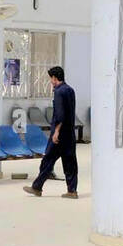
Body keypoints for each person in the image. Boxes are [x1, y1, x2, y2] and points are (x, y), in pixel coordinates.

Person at [24, 66, 78, 198]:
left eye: (51, 79)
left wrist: (56, 132)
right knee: (70, 161)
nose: (50, 82)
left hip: (59, 134)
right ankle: (72, 190)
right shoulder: (70, 90)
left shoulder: (59, 91)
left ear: (54, 78)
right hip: (70, 132)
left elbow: (60, 114)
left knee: (48, 159)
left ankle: (37, 187)